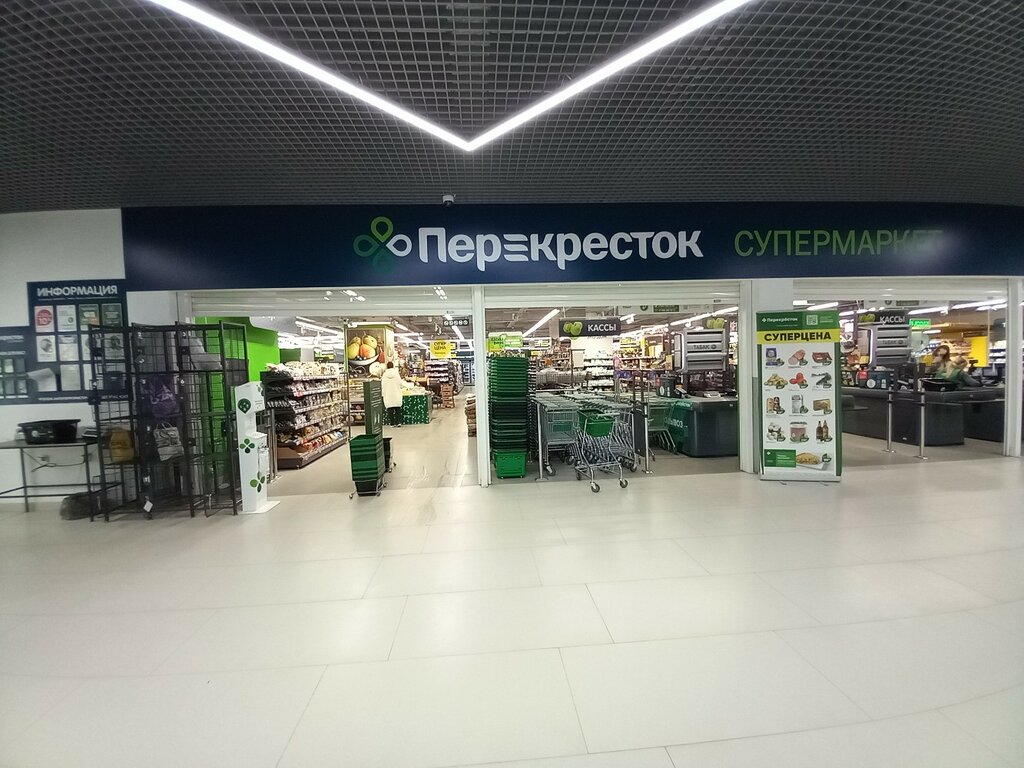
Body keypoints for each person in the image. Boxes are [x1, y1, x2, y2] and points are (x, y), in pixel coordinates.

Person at [381, 361, 404, 426]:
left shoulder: (384, 375)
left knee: (390, 409)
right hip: (396, 393)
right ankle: (398, 422)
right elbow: (400, 383)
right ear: (393, 366)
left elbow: (382, 385)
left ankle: (392, 423)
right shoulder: (396, 374)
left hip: (388, 394)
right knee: (397, 409)